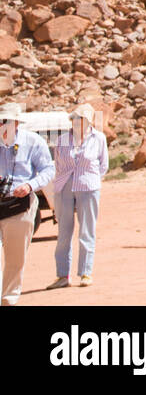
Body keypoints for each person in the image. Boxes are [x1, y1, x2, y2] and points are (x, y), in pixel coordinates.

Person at [47, 103, 108, 289]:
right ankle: (62, 275)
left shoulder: (99, 138)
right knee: (63, 233)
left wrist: (90, 180)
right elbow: (58, 162)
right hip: (64, 187)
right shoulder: (62, 139)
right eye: (74, 119)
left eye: (80, 119)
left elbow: (103, 165)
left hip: (88, 187)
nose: (76, 122)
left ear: (88, 121)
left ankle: (86, 273)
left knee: (86, 231)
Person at [0, 103, 54, 305]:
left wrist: (30, 185)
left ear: (16, 124)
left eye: (6, 122)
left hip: (20, 207)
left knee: (15, 258)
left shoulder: (33, 142)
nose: (2, 126)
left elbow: (48, 170)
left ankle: (8, 300)